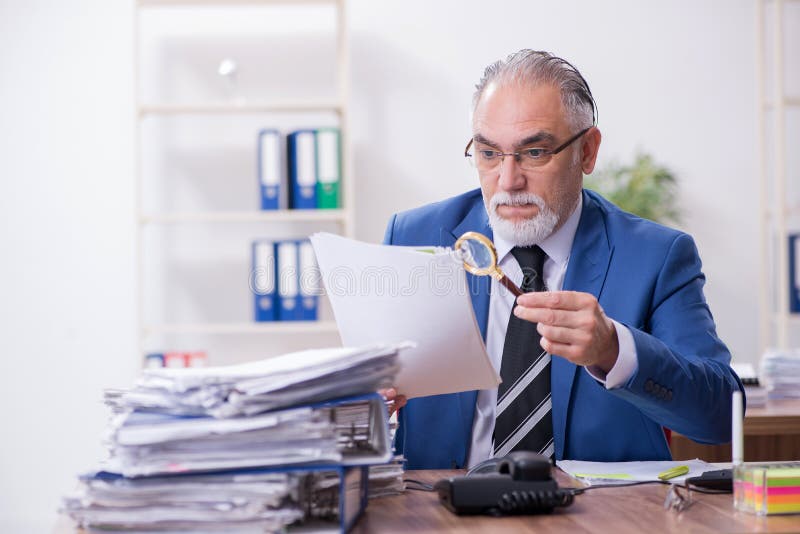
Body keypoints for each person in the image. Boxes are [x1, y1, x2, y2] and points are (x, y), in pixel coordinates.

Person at [381, 49, 744, 470]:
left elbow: (721, 416)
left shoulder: (657, 257)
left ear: (587, 151)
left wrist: (615, 350)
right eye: (489, 154)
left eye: (534, 153)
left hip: (601, 517)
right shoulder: (414, 238)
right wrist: (363, 405)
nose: (509, 180)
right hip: (442, 512)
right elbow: (374, 398)